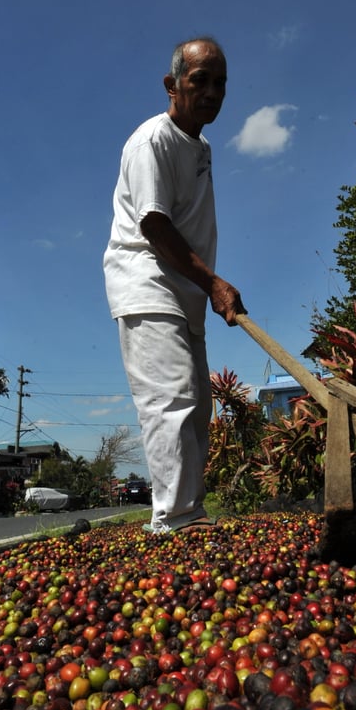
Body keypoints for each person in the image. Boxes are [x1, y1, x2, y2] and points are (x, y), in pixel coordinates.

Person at [103, 36, 245, 534]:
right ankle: (176, 520)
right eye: (199, 80)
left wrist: (206, 288)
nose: (212, 92)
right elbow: (155, 225)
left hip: (186, 292)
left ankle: (189, 513)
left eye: (220, 83)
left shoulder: (201, 146)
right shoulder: (152, 141)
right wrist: (214, 283)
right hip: (146, 279)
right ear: (172, 85)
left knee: (198, 406)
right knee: (173, 398)